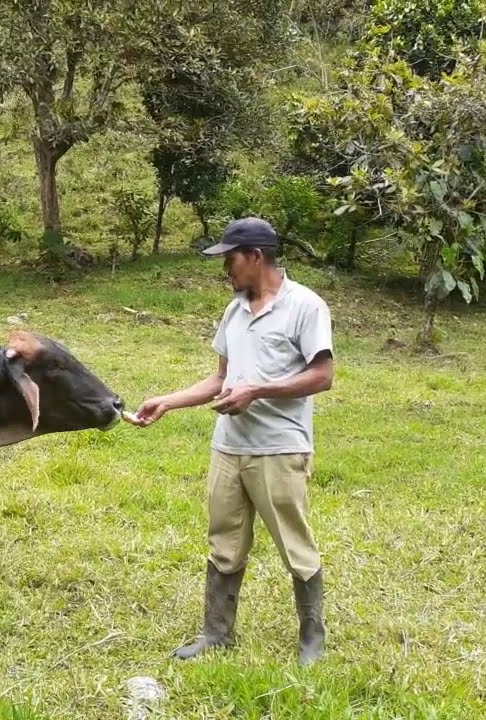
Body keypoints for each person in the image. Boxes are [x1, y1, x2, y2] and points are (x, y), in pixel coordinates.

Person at [129, 217, 335, 665]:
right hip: (229, 447)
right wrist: (168, 401)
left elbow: (322, 376)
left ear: (256, 257)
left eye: (230, 259)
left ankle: (312, 639)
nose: (225, 269)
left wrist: (256, 390)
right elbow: (221, 378)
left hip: (279, 447)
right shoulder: (235, 309)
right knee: (223, 540)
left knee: (294, 545)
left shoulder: (306, 307)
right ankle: (217, 633)